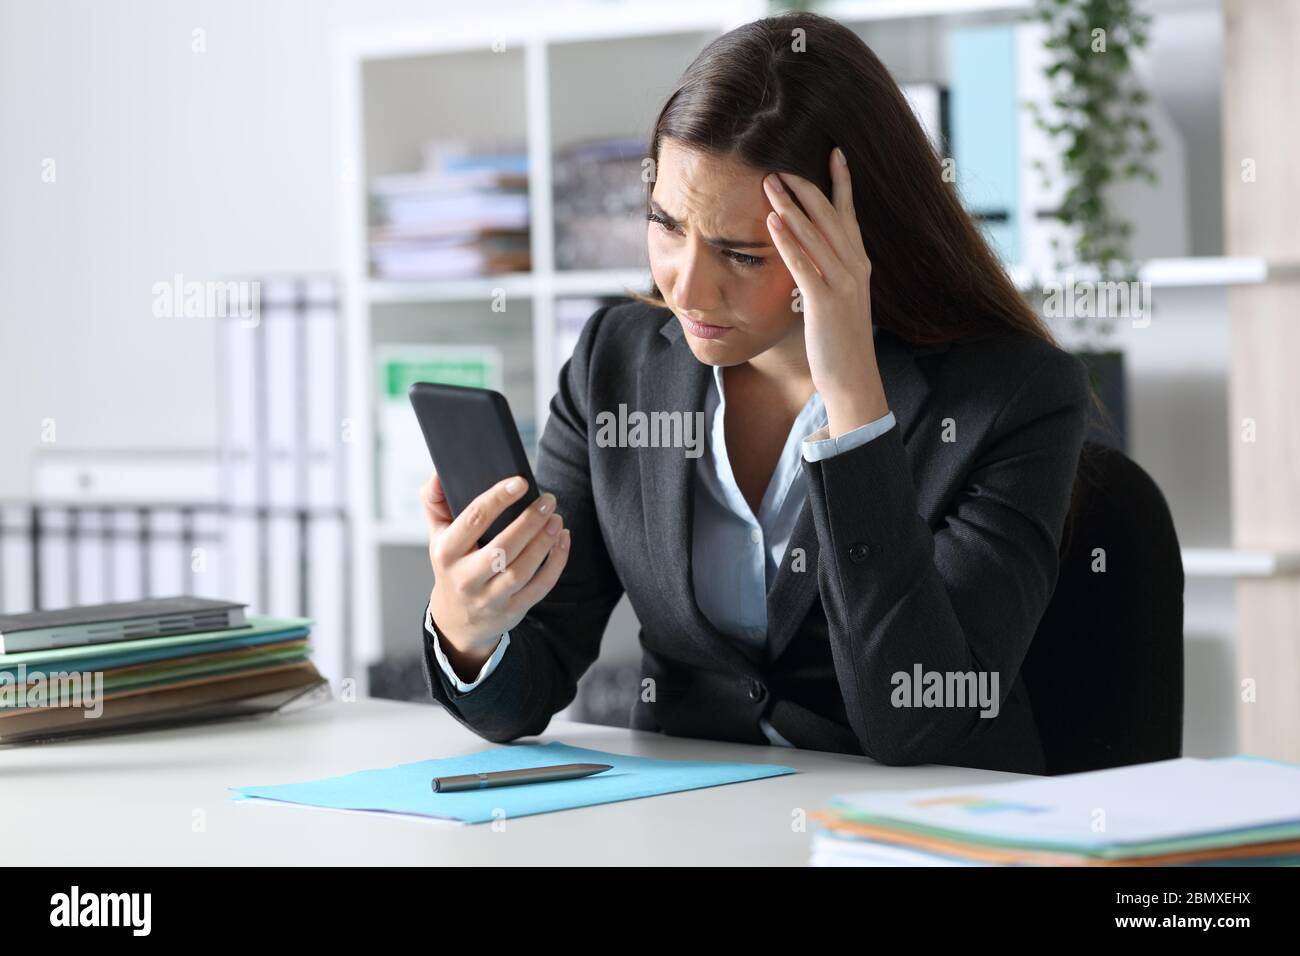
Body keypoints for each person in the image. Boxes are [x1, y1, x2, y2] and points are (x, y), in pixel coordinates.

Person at [418, 11, 1088, 774]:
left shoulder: (1013, 397)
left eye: (741, 253)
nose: (686, 287)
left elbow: (918, 727)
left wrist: (854, 407)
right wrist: (468, 626)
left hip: (917, 831)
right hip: (694, 830)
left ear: (855, 238)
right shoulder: (617, 362)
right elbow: (528, 689)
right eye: (666, 226)